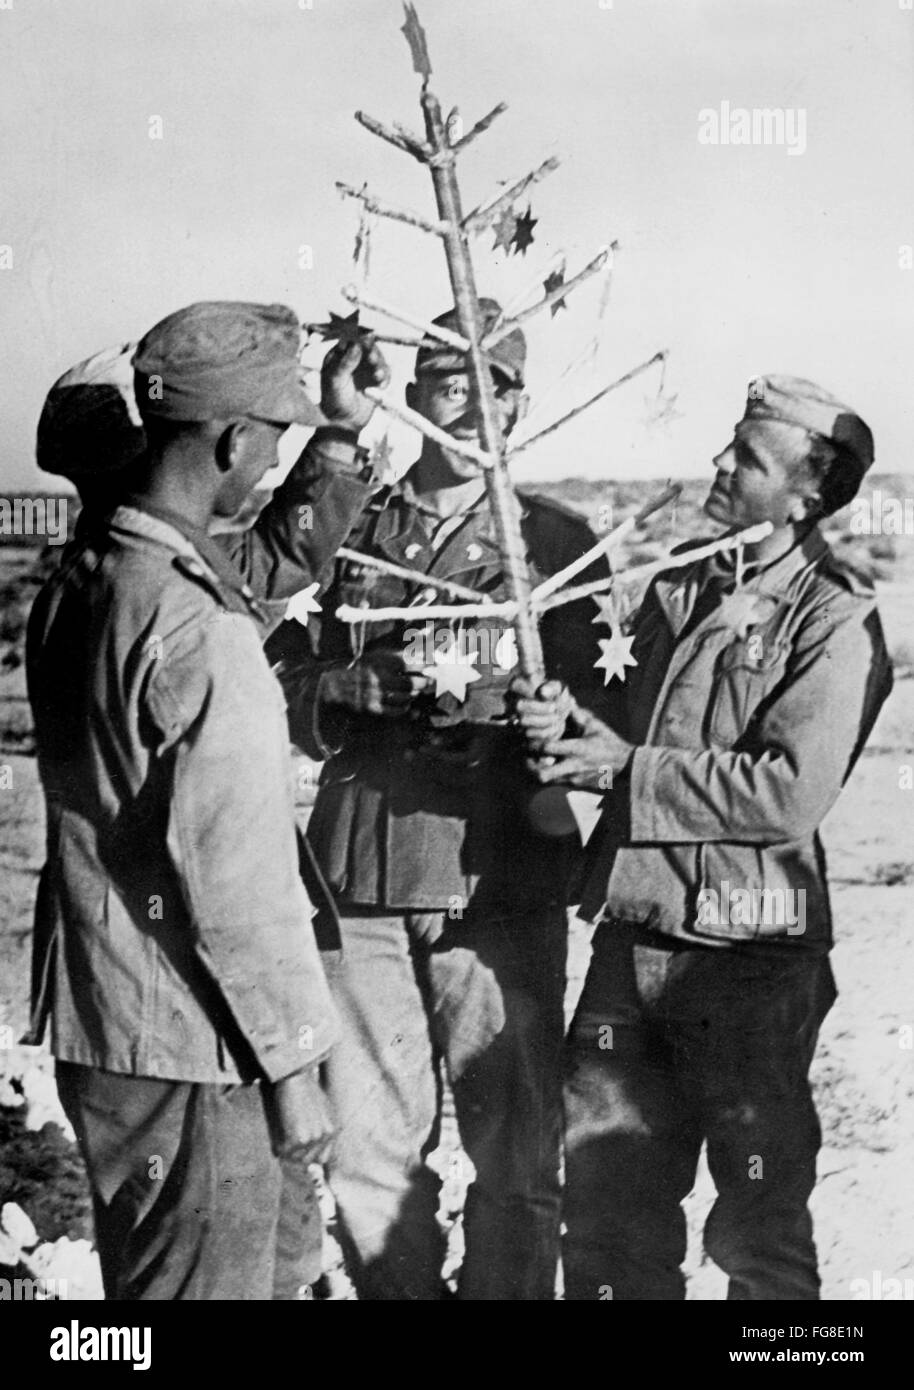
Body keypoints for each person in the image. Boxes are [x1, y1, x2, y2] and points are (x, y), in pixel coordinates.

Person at [25, 300, 382, 1301]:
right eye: (272, 440)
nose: (271, 460)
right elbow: (234, 881)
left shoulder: (87, 580)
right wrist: (291, 1066)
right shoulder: (193, 625)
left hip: (112, 1023)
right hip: (206, 1045)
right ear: (230, 439)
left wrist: (338, 441)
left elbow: (250, 572)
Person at [514, 374, 894, 1301]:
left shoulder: (836, 619)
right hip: (633, 935)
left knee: (757, 1228)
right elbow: (629, 710)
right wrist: (570, 716)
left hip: (749, 962)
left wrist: (619, 770)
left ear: (807, 496)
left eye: (749, 458)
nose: (721, 462)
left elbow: (789, 792)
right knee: (607, 1213)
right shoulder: (685, 581)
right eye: (730, 442)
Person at [265, 299, 609, 1300]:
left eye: (486, 392)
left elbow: (602, 707)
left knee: (512, 1155)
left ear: (516, 406)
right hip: (362, 874)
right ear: (410, 394)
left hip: (498, 873)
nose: (462, 412)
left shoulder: (555, 542)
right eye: (444, 387)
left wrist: (533, 711)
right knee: (370, 1154)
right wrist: (334, 689)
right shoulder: (349, 525)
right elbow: (267, 674)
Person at [35, 331, 390, 602]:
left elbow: (278, 556)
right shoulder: (153, 591)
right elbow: (274, 560)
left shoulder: (134, 568)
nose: (271, 461)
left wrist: (341, 430)